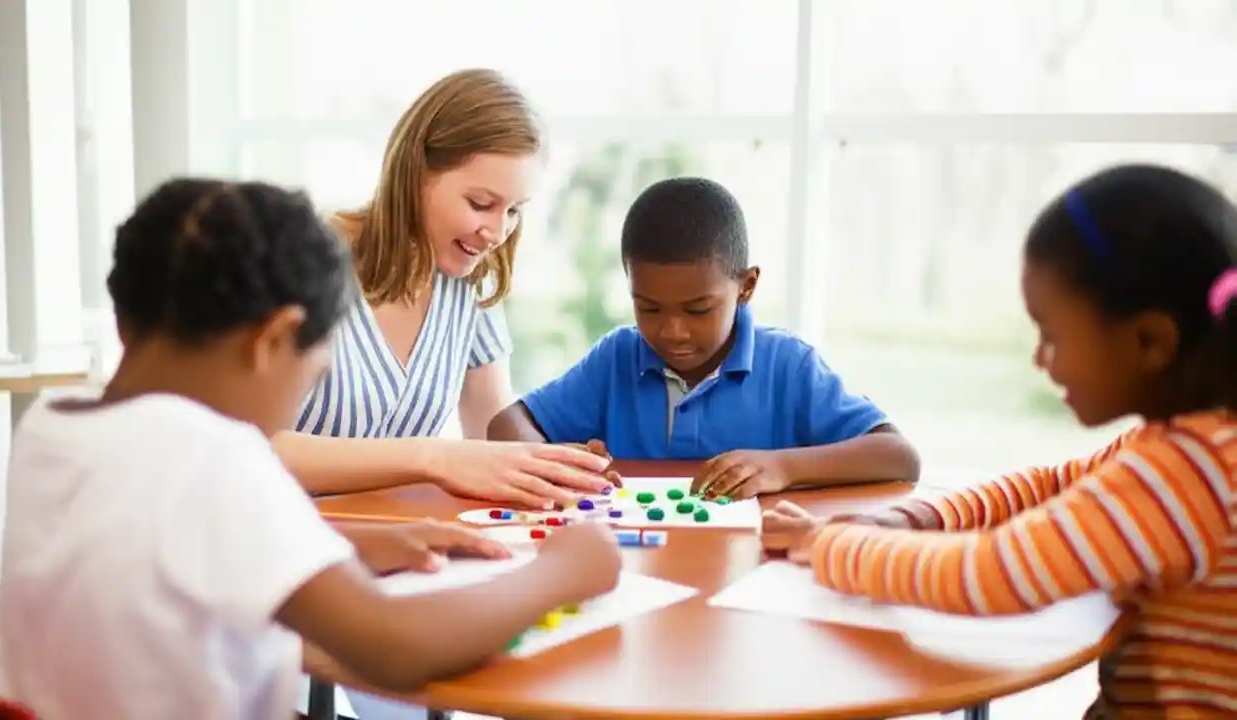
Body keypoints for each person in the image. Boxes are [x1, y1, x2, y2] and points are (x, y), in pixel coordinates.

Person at [0, 178, 621, 720]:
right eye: (314, 370)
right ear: (273, 342)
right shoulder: (219, 460)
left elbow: (161, 541)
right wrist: (559, 574)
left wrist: (343, 543)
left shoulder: (55, 426)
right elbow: (395, 647)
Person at [764, 164, 1237, 719]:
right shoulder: (1197, 445)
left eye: (1052, 336)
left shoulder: (1186, 471)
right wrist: (913, 519)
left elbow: (988, 575)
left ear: (1150, 340)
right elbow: (1050, 487)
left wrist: (824, 545)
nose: (1040, 359)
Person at [273, 68, 615, 511]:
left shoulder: (472, 280)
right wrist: (434, 457)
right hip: (280, 543)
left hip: (395, 541)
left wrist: (546, 463)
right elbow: (252, 447)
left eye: (513, 210)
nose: (496, 232)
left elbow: (489, 431)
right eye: (481, 204)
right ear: (415, 173)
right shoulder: (304, 260)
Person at [488, 177, 919, 498]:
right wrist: (559, 466)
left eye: (698, 310)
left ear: (746, 287)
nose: (673, 331)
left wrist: (785, 467)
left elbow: (899, 456)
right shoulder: (617, 358)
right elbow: (506, 426)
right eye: (649, 308)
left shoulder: (789, 365)